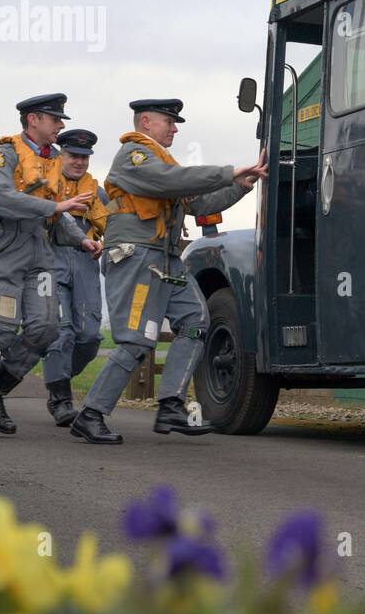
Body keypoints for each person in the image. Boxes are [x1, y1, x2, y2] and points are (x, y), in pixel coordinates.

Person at [71, 98, 266, 444]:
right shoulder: (134, 156)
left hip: (164, 260)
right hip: (137, 259)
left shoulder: (163, 161)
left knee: (195, 322)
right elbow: (170, 180)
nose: (175, 128)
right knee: (136, 340)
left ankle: (170, 404)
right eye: (169, 121)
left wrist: (240, 184)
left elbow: (199, 203)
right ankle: (91, 414)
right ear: (145, 122)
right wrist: (227, 172)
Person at [0, 94, 102, 442]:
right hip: (2, 251)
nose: (61, 125)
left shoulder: (52, 160)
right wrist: (55, 208)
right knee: (0, 330)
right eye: (55, 118)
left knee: (46, 330)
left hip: (39, 252)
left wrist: (81, 240)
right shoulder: (7, 154)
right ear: (34, 120)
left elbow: (55, 211)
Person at [41, 128, 108, 426]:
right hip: (48, 262)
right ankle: (61, 399)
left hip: (85, 264)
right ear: (61, 155)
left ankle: (59, 377)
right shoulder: (43, 185)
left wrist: (109, 240)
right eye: (73, 156)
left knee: (89, 336)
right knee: (61, 331)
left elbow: (115, 222)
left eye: (85, 157)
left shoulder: (97, 191)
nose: (79, 162)